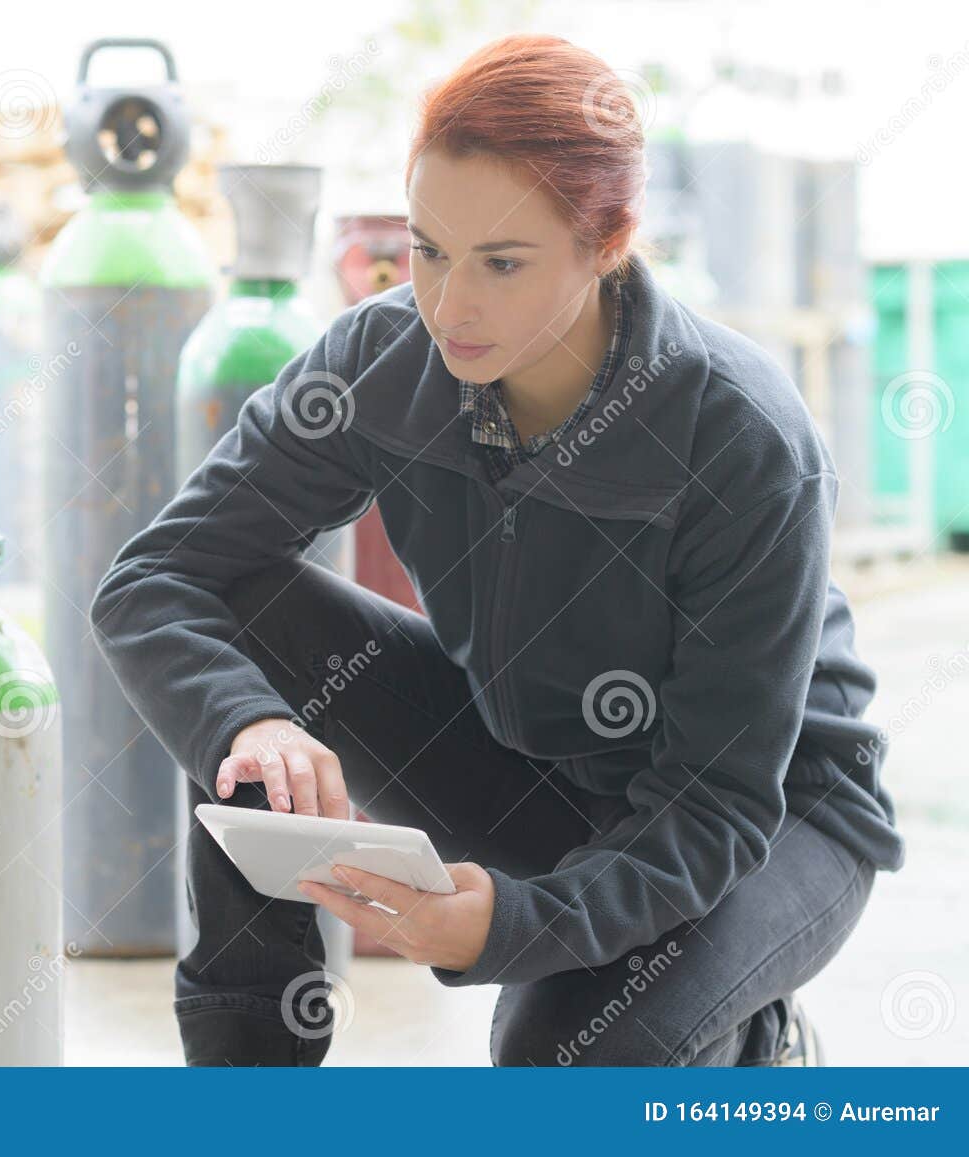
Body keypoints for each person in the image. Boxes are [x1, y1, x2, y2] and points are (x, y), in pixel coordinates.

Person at [88, 32, 905, 1066]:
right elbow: (157, 578)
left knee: (562, 1065)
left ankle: (750, 1047)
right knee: (238, 623)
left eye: (501, 262)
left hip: (765, 823)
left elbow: (714, 803)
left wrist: (507, 927)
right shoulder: (379, 363)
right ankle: (249, 1072)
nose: (449, 304)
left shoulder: (743, 438)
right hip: (529, 762)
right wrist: (246, 721)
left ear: (606, 241)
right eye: (429, 248)